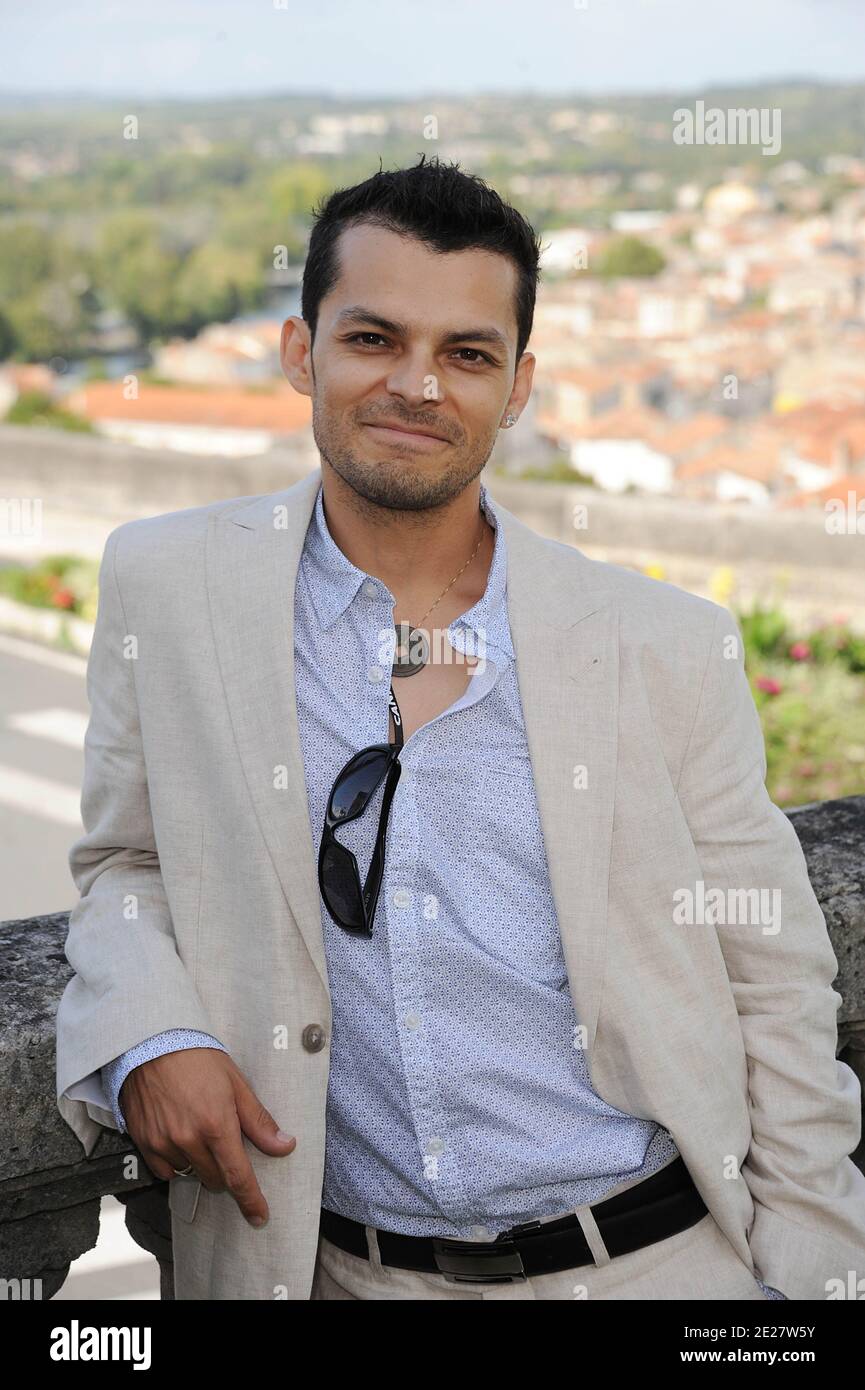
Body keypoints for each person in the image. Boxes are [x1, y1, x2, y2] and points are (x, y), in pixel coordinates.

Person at [56, 156, 865, 1301]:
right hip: (332, 1269)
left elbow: (773, 980)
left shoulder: (663, 641)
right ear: (303, 352)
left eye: (467, 355)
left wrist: (813, 1277)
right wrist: (149, 1035)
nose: (418, 387)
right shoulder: (168, 586)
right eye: (374, 338)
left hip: (653, 1265)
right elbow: (125, 860)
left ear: (518, 384)